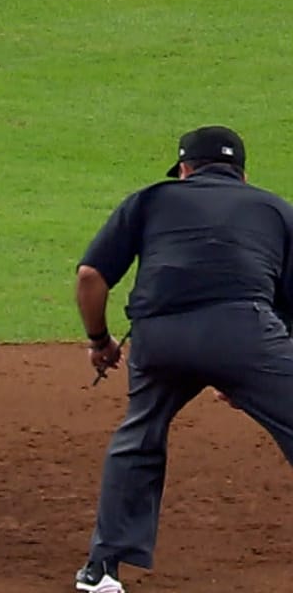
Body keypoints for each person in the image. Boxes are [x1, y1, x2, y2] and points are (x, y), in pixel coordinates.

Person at [73, 126, 293, 593]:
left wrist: (100, 341)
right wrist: (253, 373)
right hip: (245, 335)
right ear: (242, 175)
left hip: (160, 340)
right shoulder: (276, 209)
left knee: (140, 435)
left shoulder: (150, 199)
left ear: (186, 169)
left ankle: (102, 568)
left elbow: (91, 275)